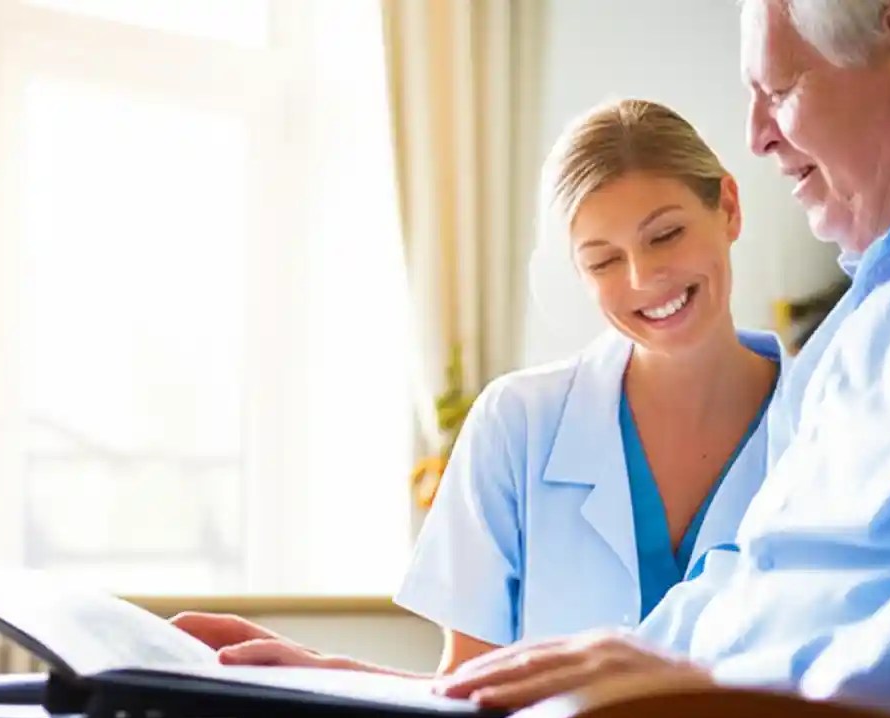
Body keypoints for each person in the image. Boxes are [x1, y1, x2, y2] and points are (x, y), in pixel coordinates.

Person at [429, 1, 890, 718]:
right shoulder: (868, 308)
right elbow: (758, 578)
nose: (756, 136)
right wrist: (381, 690)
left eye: (777, 92)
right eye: (603, 260)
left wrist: (718, 687)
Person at [173, 99, 783, 676]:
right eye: (602, 261)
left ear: (727, 207)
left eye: (666, 234)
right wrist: (323, 676)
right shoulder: (516, 425)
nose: (644, 277)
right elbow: (469, 690)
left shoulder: (826, 421)